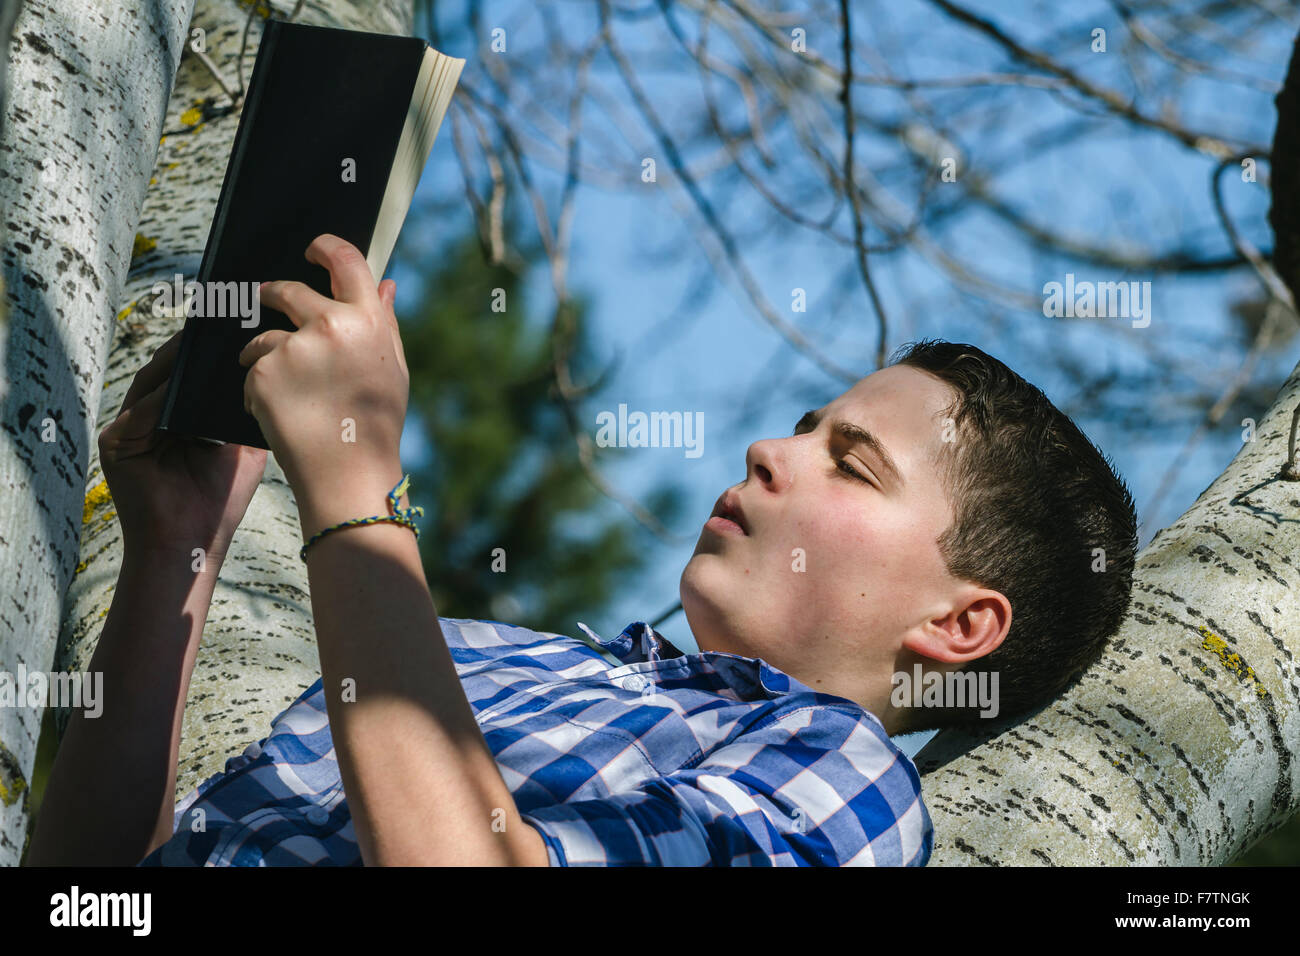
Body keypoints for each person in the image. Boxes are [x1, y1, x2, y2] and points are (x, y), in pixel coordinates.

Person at [25, 234, 1137, 867]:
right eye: (801, 425)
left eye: (851, 462)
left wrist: (358, 488)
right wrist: (175, 553)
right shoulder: (468, 653)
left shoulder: (844, 776)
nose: (770, 449)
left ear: (957, 625)